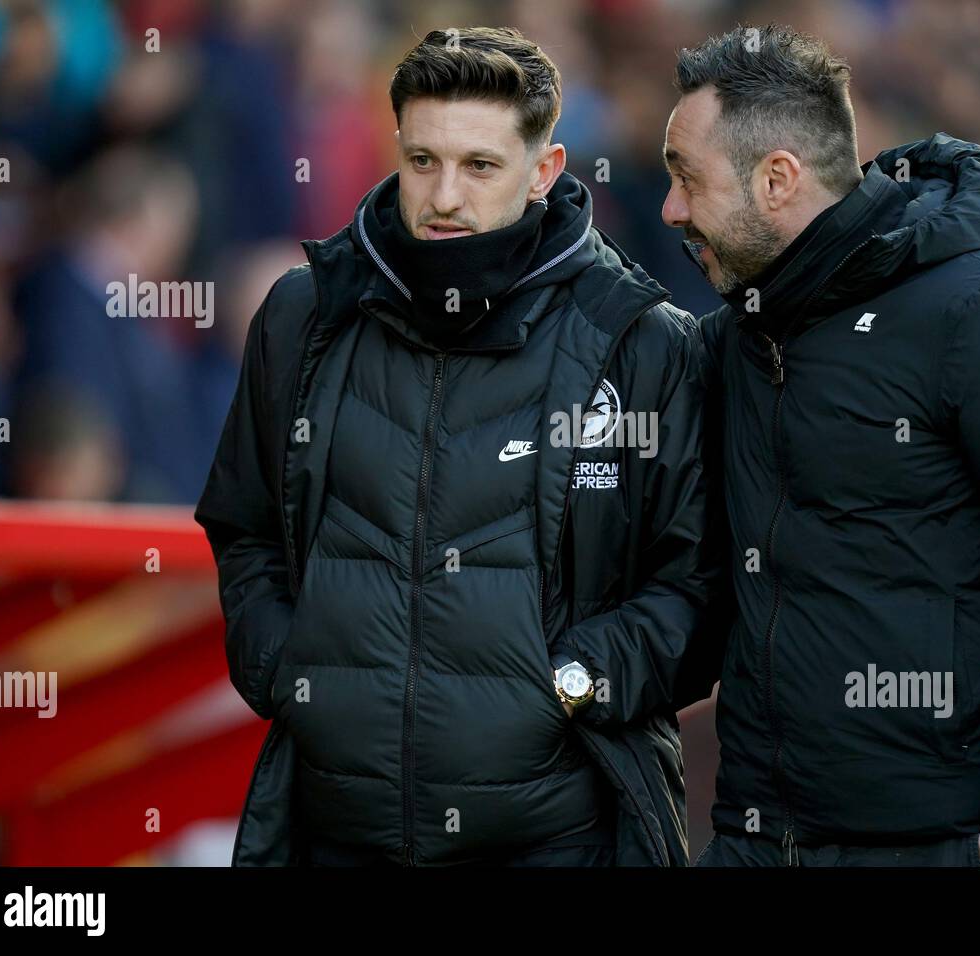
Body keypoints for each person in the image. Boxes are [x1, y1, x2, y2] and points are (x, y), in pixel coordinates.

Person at [196, 27, 713, 867]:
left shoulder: (643, 341)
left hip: (558, 838)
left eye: (479, 166)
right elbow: (243, 524)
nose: (444, 196)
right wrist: (288, 669)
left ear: (544, 172)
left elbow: (697, 578)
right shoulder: (302, 316)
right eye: (423, 161)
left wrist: (575, 684)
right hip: (335, 830)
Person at [662, 24, 980, 867]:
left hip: (939, 847)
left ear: (778, 180)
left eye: (687, 177)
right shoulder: (739, 341)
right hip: (756, 838)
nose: (671, 207)